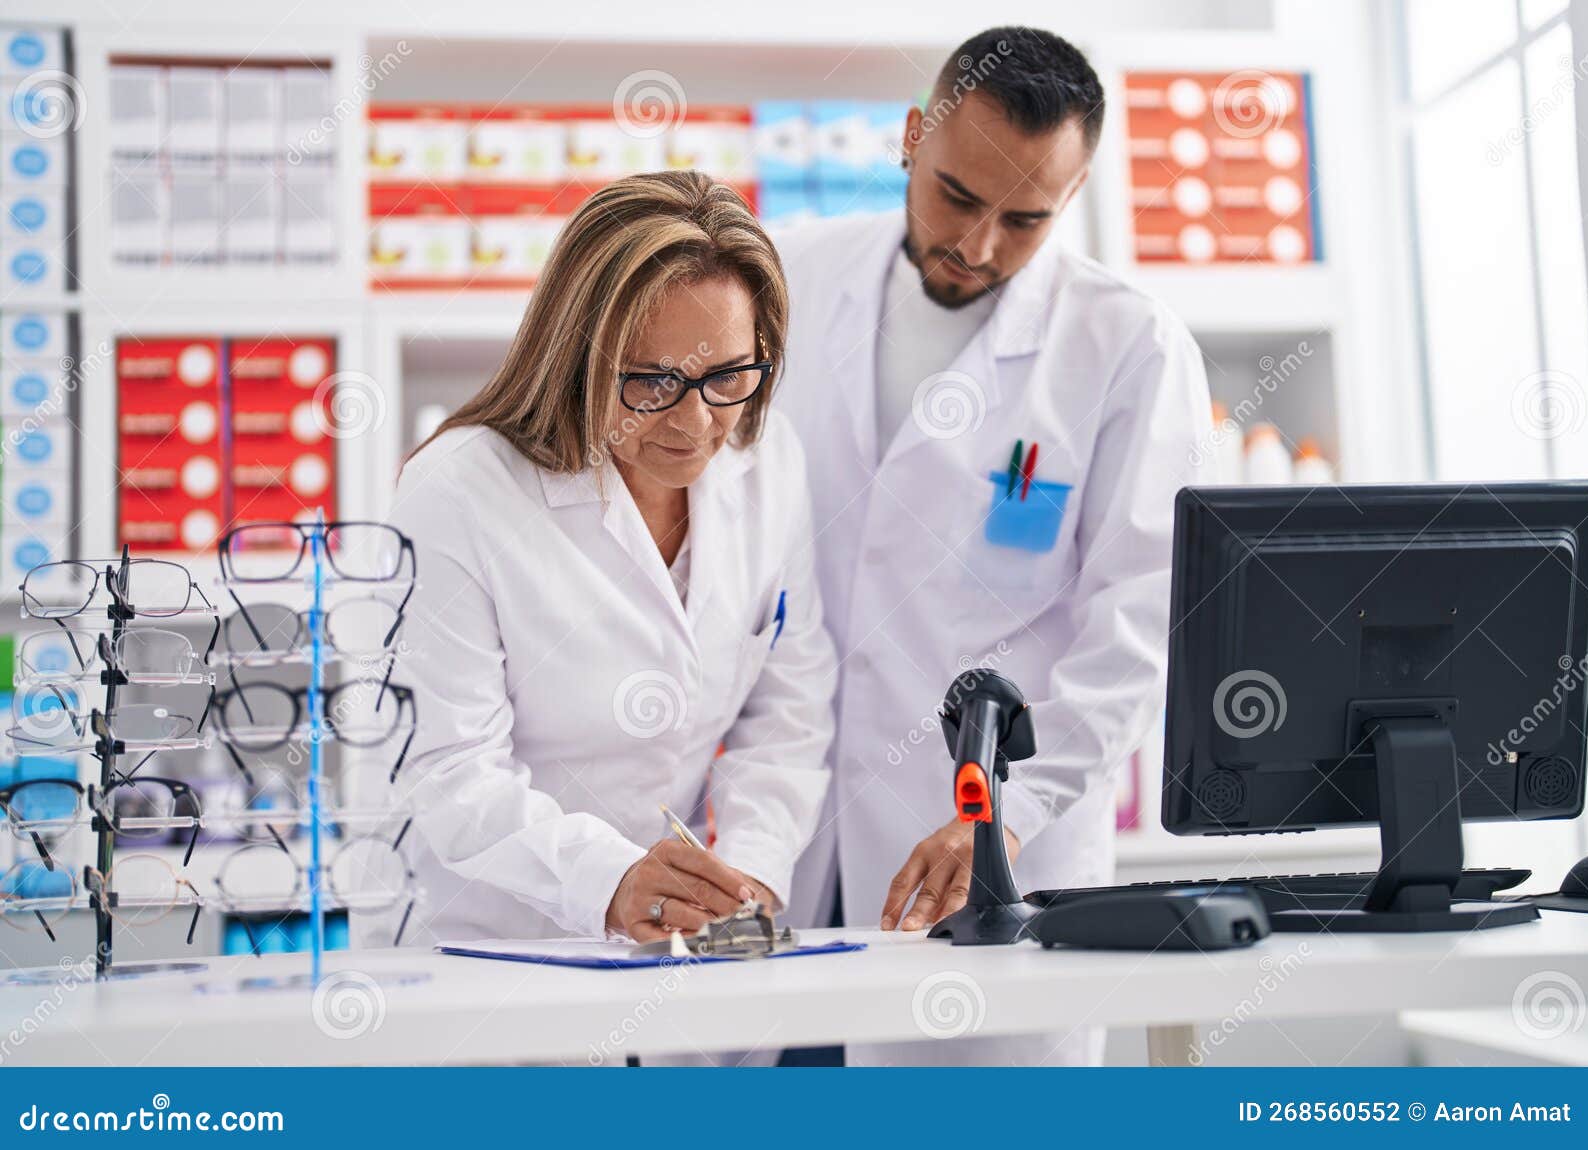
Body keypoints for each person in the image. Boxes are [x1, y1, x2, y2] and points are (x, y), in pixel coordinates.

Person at [773, 27, 1210, 1064]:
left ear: (1077, 189)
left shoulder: (1128, 346)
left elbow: (1143, 622)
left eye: (1024, 218)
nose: (975, 244)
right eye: (957, 196)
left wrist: (1011, 818)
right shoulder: (784, 277)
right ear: (911, 137)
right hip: (783, 823)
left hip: (994, 847)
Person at [362, 171, 836, 953]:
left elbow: (789, 709)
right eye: (653, 381)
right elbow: (451, 768)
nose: (696, 421)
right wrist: (609, 882)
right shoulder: (458, 490)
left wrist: (746, 874)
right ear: (577, 354)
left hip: (689, 955)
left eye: (727, 376)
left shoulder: (769, 460)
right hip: (492, 951)